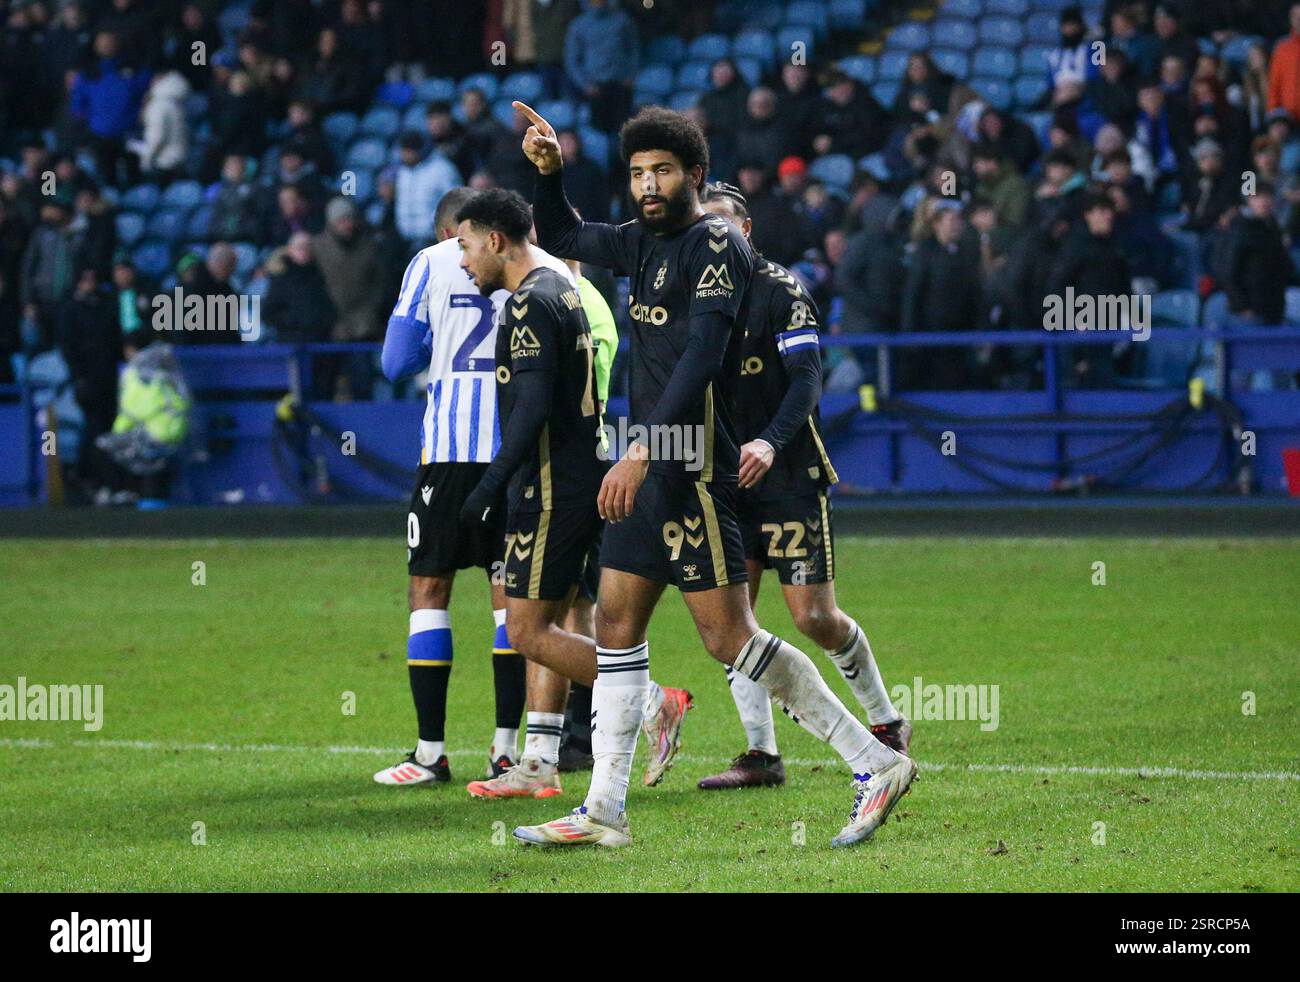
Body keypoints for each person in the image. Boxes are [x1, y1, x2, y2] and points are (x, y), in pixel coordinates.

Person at [512, 101, 917, 848]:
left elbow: (700, 357)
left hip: (691, 465)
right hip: (652, 463)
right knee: (616, 626)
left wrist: (639, 449)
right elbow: (564, 235)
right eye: (637, 173)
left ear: (695, 174)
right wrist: (551, 173)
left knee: (730, 638)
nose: (648, 185)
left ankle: (873, 762)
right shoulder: (641, 241)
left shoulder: (717, 244)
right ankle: (604, 810)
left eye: (663, 170)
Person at [453, 190, 687, 800]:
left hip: (552, 484)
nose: (462, 260)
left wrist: (489, 484)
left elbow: (530, 412)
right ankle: (541, 760)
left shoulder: (530, 304)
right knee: (553, 620)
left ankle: (655, 701)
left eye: (466, 245)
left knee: (528, 630)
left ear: (496, 240)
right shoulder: (571, 293)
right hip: (584, 472)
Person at [696, 182, 911, 790]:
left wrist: (769, 439)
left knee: (814, 617)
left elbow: (807, 380)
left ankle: (886, 721)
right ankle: (761, 756)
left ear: (747, 228)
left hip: (788, 473)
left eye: (723, 223)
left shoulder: (781, 291)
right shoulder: (693, 296)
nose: (714, 235)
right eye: (703, 226)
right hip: (725, 478)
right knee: (735, 621)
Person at [374, 188, 571, 787]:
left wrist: (440, 347)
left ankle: (430, 753)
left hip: (451, 455)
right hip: (524, 454)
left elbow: (394, 361)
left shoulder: (429, 262)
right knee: (512, 604)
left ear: (461, 233)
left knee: (429, 591)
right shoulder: (554, 269)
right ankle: (506, 750)